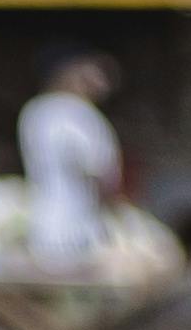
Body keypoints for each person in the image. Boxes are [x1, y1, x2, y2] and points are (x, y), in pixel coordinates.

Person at [17, 50, 121, 272]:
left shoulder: (35, 110)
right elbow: (101, 174)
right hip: (77, 231)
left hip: (41, 226)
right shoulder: (81, 116)